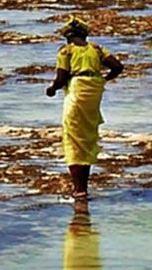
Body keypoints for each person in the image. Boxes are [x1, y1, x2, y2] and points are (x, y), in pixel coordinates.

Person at [46, 15, 124, 202]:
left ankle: (79, 190)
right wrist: (103, 80)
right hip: (94, 94)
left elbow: (62, 77)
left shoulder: (66, 51)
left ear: (68, 37)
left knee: (73, 138)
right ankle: (83, 188)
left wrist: (52, 89)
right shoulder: (97, 49)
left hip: (77, 93)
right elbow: (117, 67)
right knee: (88, 136)